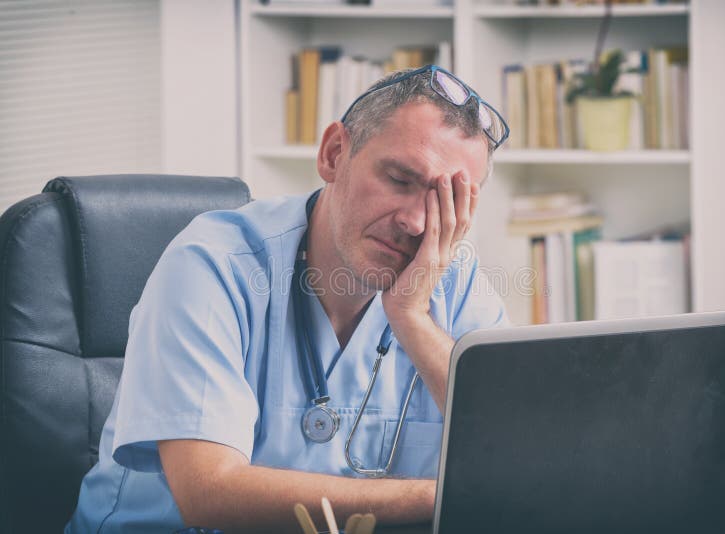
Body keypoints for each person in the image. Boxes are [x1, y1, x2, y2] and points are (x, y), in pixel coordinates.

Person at [66, 65, 511, 533]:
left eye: (446, 201)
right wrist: (443, 496)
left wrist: (411, 318)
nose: (418, 223)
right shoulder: (212, 264)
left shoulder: (452, 280)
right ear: (334, 154)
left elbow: (523, 456)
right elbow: (209, 492)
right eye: (400, 179)